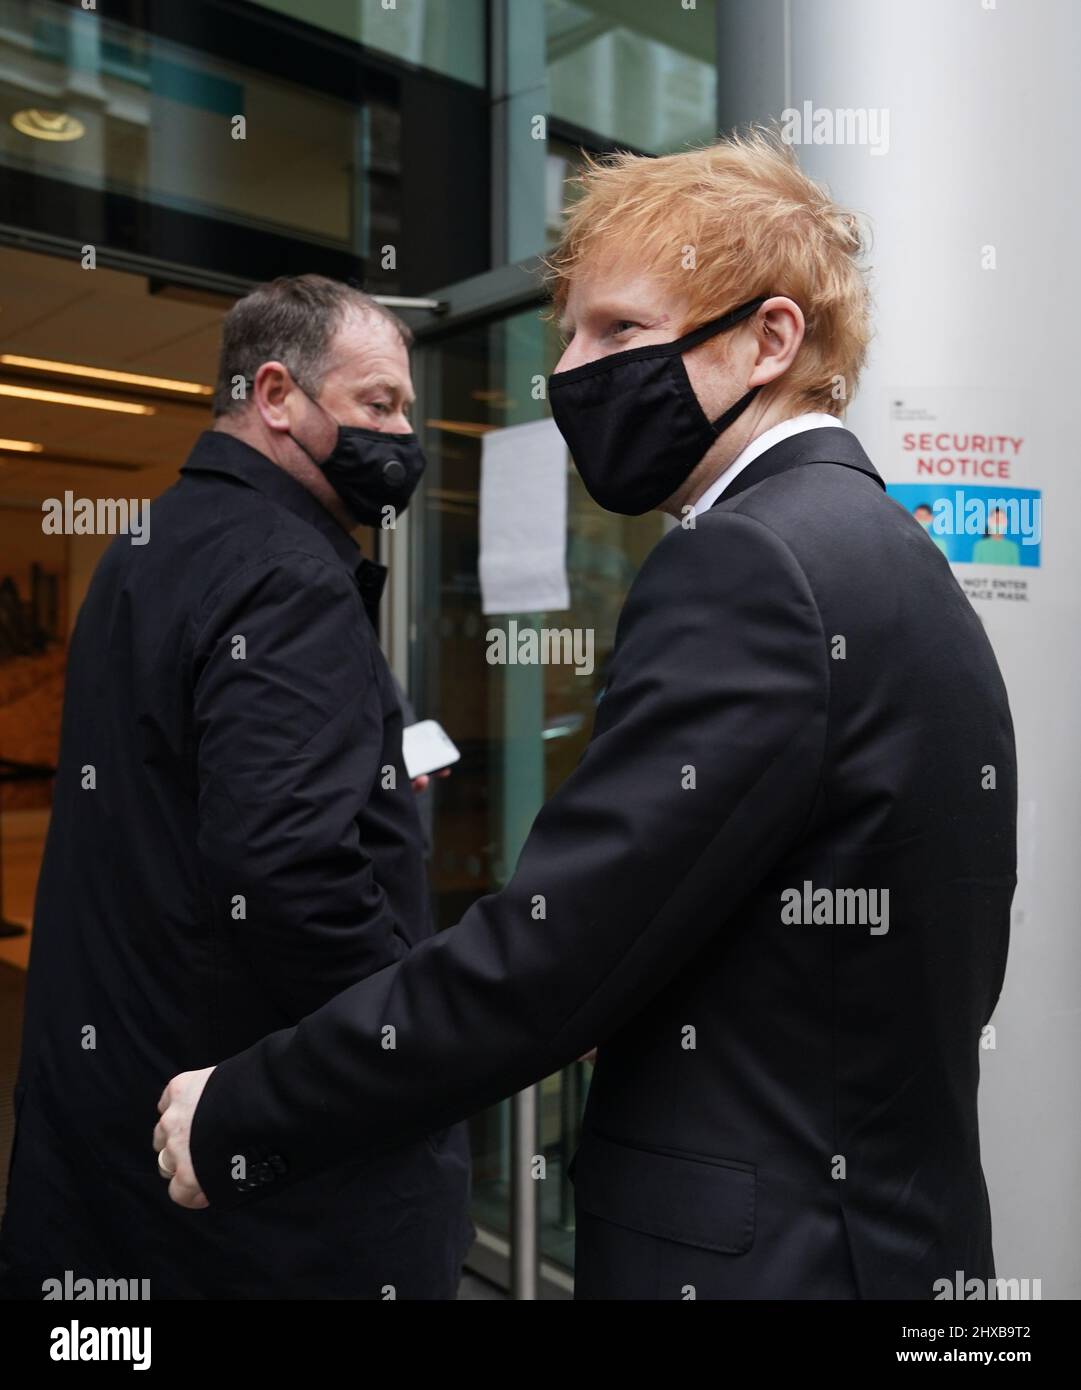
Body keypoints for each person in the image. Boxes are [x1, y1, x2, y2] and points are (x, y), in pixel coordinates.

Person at [155, 132, 1016, 1300]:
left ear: (771, 339)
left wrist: (244, 1109)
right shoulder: (892, 555)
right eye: (568, 332)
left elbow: (549, 957)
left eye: (617, 330)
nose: (570, 372)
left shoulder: (748, 563)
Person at [0, 275, 474, 1299]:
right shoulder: (285, 574)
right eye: (378, 404)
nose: (402, 433)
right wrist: (406, 1030)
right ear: (274, 394)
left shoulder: (149, 544)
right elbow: (288, 865)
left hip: (122, 1108)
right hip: (256, 1152)